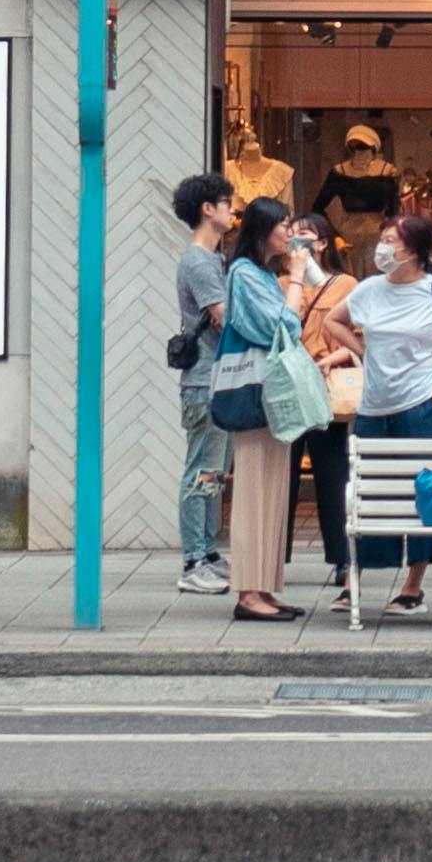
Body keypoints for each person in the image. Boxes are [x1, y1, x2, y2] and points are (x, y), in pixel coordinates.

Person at [329, 210, 432, 618]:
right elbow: (333, 320)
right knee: (368, 491)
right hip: (373, 406)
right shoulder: (369, 289)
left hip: (422, 404)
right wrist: (363, 352)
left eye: (392, 240)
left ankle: (413, 586)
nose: (383, 246)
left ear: (414, 250)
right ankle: (353, 580)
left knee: (424, 493)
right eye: (383, 238)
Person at [217, 198, 307, 623]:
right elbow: (281, 328)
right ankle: (248, 592)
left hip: (272, 394)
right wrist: (298, 282)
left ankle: (265, 587)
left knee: (273, 489)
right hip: (255, 394)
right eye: (283, 225)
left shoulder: (264, 274)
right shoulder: (245, 273)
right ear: (262, 228)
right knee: (254, 491)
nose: (289, 232)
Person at [283, 213, 359, 602]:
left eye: (306, 235)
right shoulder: (282, 283)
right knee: (282, 476)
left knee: (333, 475)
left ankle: (342, 559)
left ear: (325, 242)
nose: (297, 241)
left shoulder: (346, 285)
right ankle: (273, 558)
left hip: (326, 386)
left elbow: (360, 337)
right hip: (287, 385)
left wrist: (330, 360)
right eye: (292, 235)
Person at [171, 173, 237, 596]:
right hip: (205, 380)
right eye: (227, 204)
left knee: (214, 472)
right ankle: (194, 559)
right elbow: (223, 316)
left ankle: (208, 553)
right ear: (207, 209)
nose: (233, 211)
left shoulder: (212, 258)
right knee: (203, 471)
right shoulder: (198, 260)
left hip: (215, 378)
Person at [308, 123, 401, 272]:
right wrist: (334, 235)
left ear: (373, 146)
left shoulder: (387, 172)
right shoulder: (340, 172)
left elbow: (393, 210)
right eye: (356, 146)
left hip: (376, 231)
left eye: (363, 146)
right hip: (348, 232)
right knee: (349, 278)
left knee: (375, 277)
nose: (360, 149)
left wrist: (392, 236)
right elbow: (318, 208)